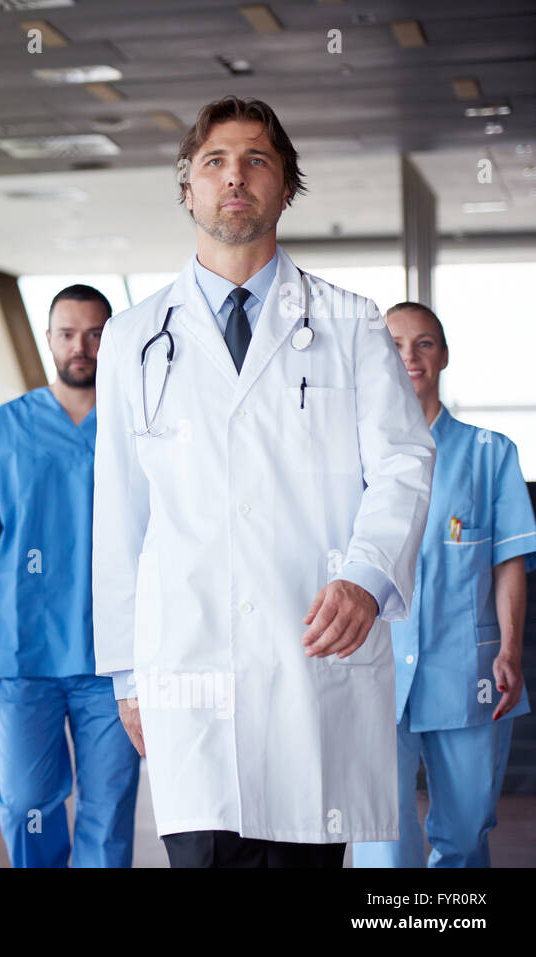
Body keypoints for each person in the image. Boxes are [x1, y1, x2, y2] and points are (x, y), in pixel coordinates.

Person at [91, 95, 436, 867]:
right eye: (213, 161)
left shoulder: (349, 323)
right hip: (186, 661)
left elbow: (404, 464)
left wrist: (366, 576)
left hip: (309, 651)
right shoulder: (134, 337)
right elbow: (119, 512)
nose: (234, 176)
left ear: (286, 188)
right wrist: (125, 672)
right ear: (188, 190)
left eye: (256, 161)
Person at [0, 284, 140, 867]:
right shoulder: (5, 429)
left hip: (116, 657)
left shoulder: (139, 427)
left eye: (96, 333)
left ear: (114, 339)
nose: (82, 346)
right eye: (68, 333)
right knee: (27, 801)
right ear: (48, 339)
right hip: (23, 654)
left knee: (109, 810)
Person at [353, 302, 533, 868]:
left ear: (444, 355)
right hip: (372, 664)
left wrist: (509, 649)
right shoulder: (348, 455)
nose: (410, 355)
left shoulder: (490, 453)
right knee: (380, 830)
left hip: (464, 668)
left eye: (425, 343)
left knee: (465, 827)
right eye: (397, 344)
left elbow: (507, 562)